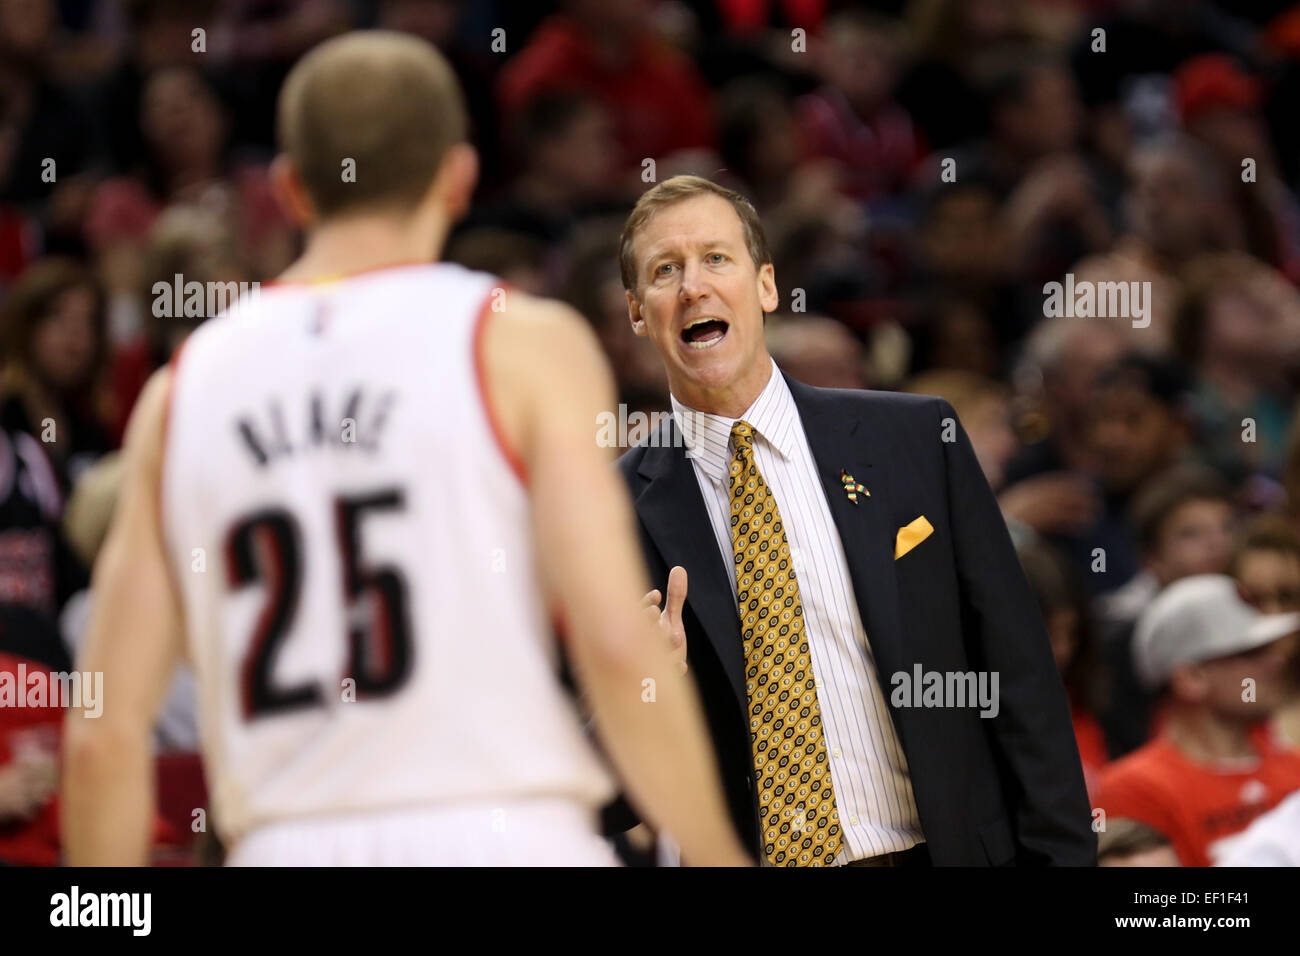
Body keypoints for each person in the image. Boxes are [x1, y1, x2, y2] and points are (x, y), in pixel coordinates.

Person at [61, 31, 750, 868]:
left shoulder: (185, 390)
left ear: (289, 190)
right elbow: (615, 645)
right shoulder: (523, 346)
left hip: (286, 845)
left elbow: (102, 734)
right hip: (503, 834)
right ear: (460, 177)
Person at [614, 174, 1094, 865]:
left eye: (717, 259)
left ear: (767, 286)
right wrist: (640, 696)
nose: (694, 287)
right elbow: (605, 799)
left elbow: (1021, 681)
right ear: (637, 311)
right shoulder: (612, 512)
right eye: (666, 270)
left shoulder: (919, 440)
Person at [1094, 574, 1300, 867]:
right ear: (1191, 678)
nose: (1275, 662)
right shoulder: (1133, 790)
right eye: (1250, 652)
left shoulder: (1294, 767)